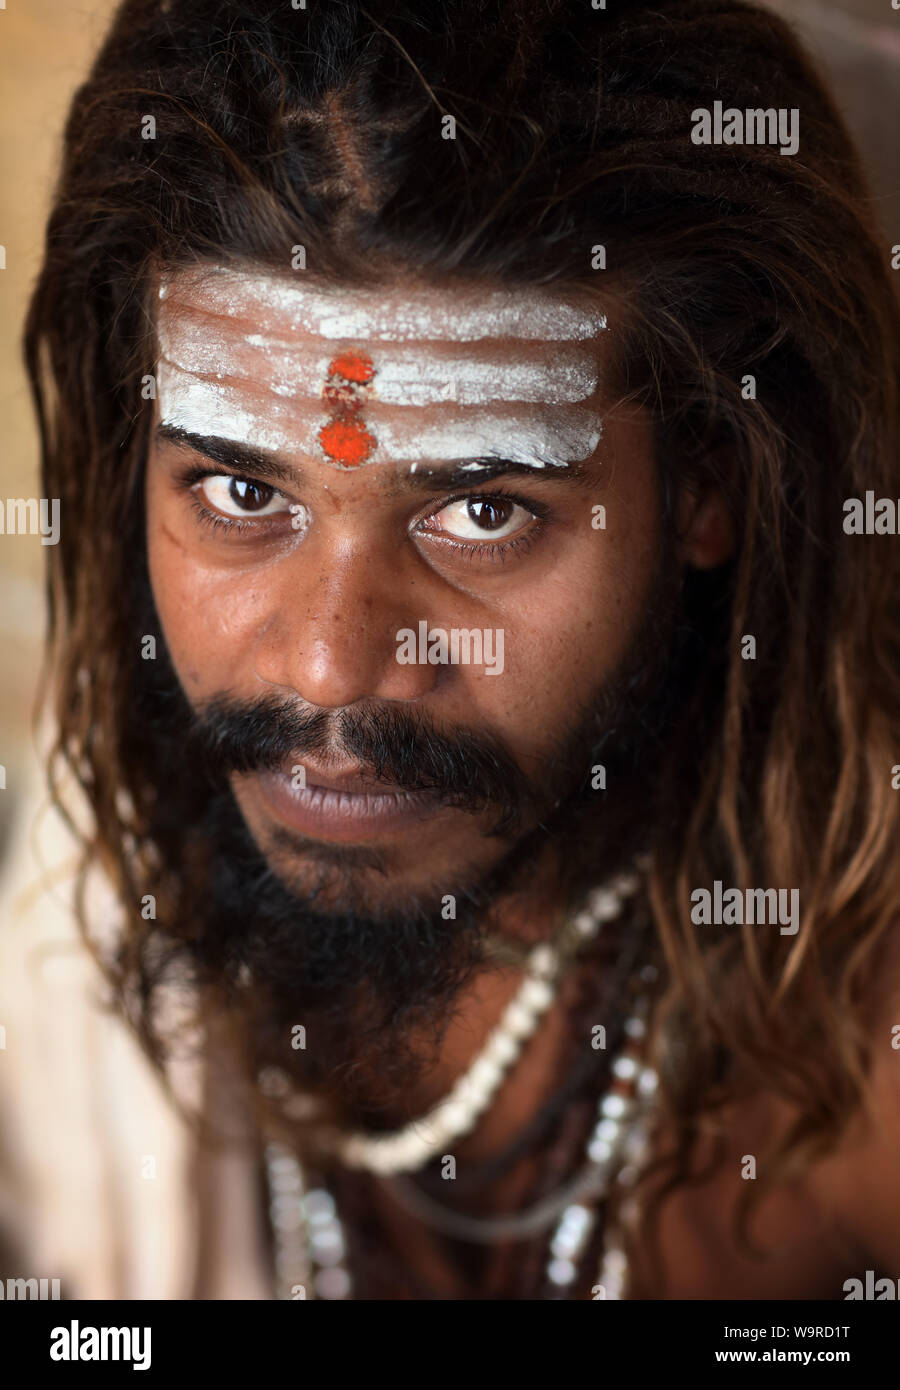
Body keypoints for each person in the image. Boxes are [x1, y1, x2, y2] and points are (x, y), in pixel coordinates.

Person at [6, 0, 900, 1300]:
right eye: (243, 497)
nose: (326, 669)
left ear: (709, 484)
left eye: (482, 512)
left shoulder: (857, 1027)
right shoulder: (72, 912)